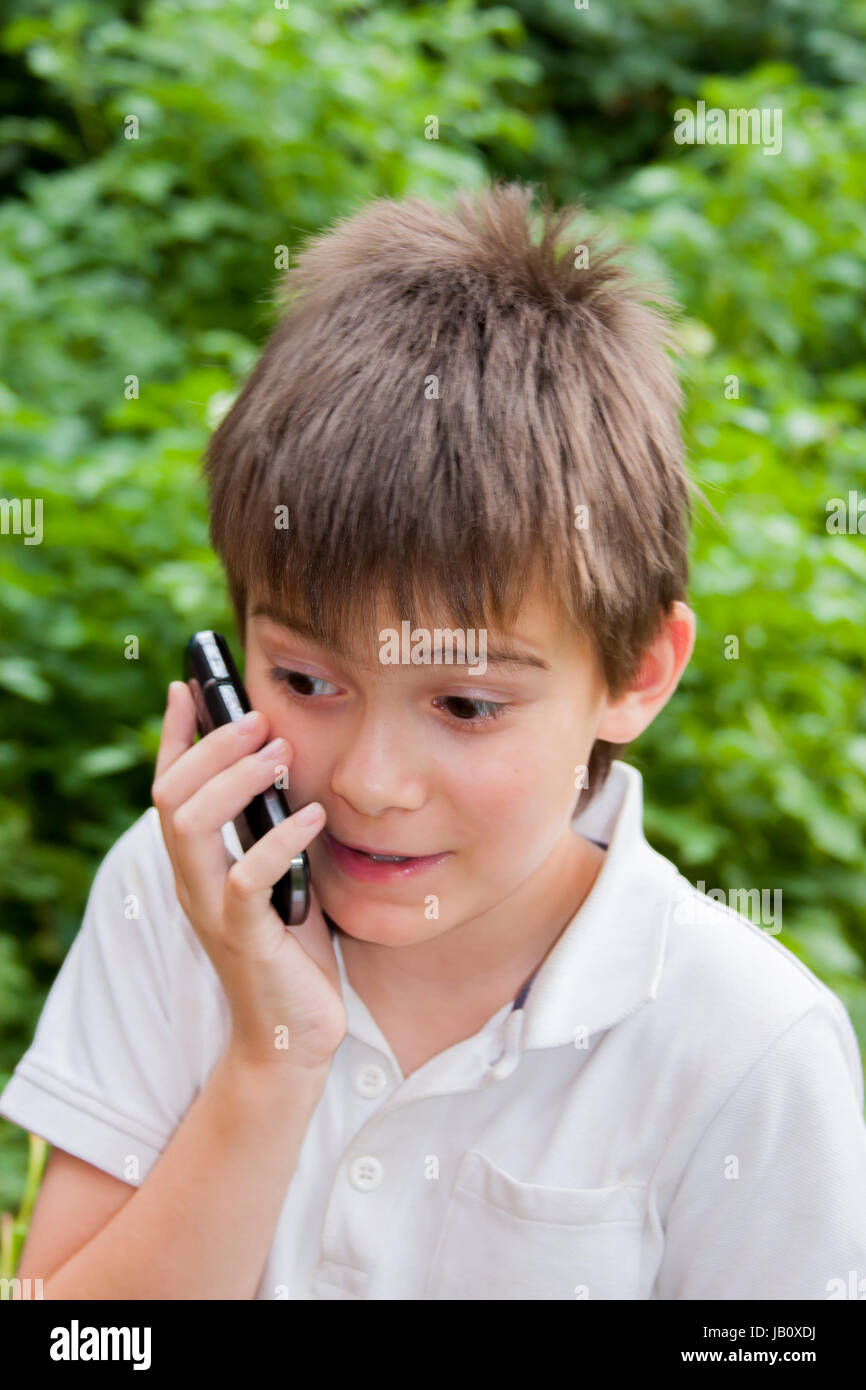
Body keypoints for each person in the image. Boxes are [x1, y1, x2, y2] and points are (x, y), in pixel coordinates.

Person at [2, 182, 865, 1300]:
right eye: (307, 680)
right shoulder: (178, 898)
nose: (367, 782)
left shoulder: (745, 1042)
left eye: (463, 705)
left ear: (635, 673)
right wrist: (272, 1061)